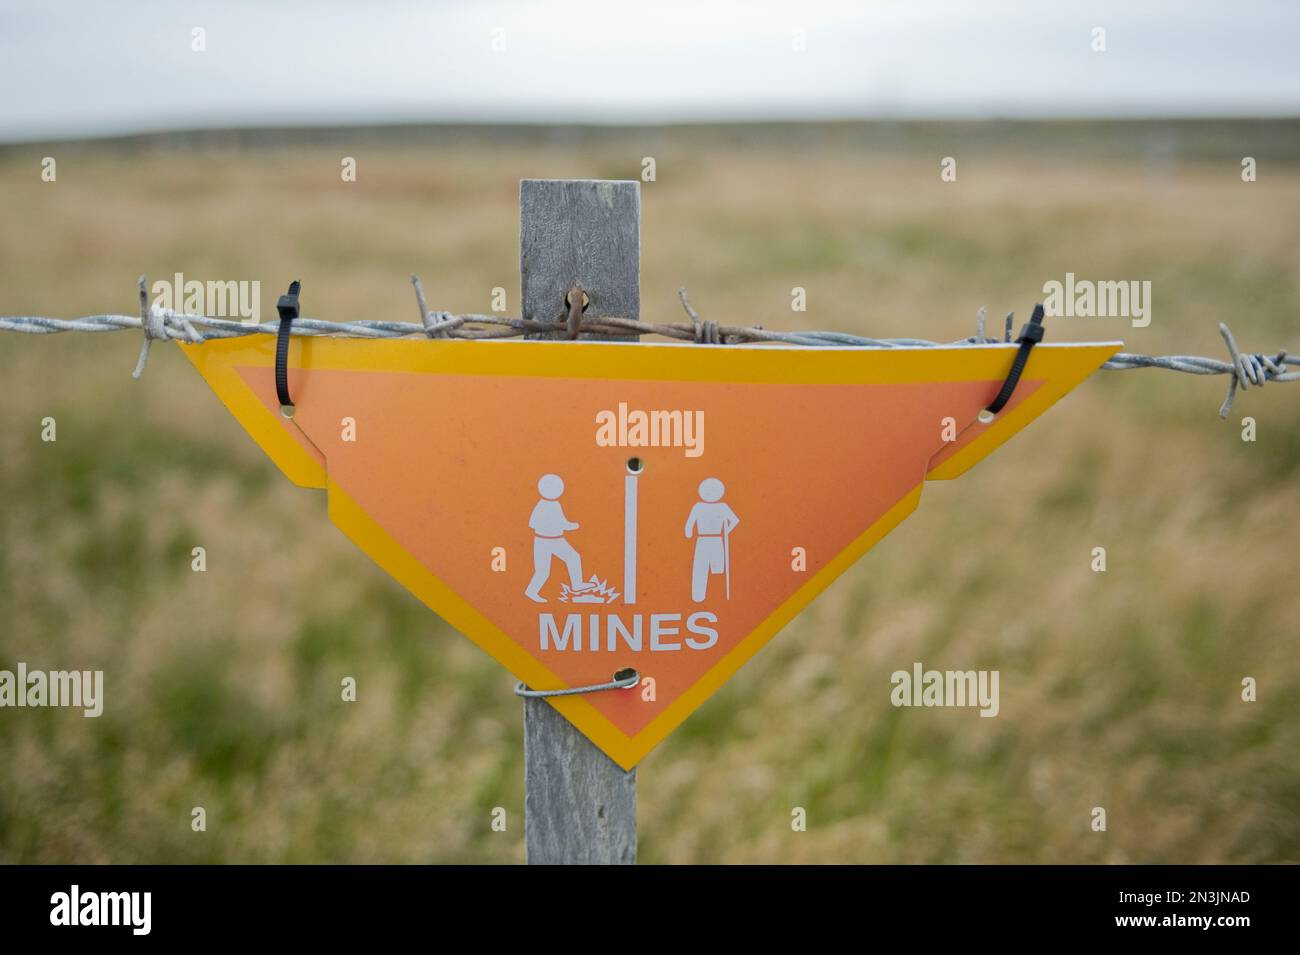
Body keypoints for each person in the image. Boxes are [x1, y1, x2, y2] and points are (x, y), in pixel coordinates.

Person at [525, 474, 588, 603]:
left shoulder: (551, 504)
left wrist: (565, 525)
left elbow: (559, 522)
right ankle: (531, 592)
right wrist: (573, 525)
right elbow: (534, 523)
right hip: (546, 541)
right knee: (543, 571)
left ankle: (577, 585)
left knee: (573, 557)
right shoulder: (546, 505)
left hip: (554, 539)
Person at [684, 477, 739, 602]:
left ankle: (719, 599)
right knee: (700, 567)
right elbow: (689, 523)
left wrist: (726, 531)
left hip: (717, 540)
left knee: (718, 569)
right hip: (702, 540)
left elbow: (735, 520)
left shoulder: (723, 507)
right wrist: (689, 533)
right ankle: (698, 597)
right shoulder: (698, 506)